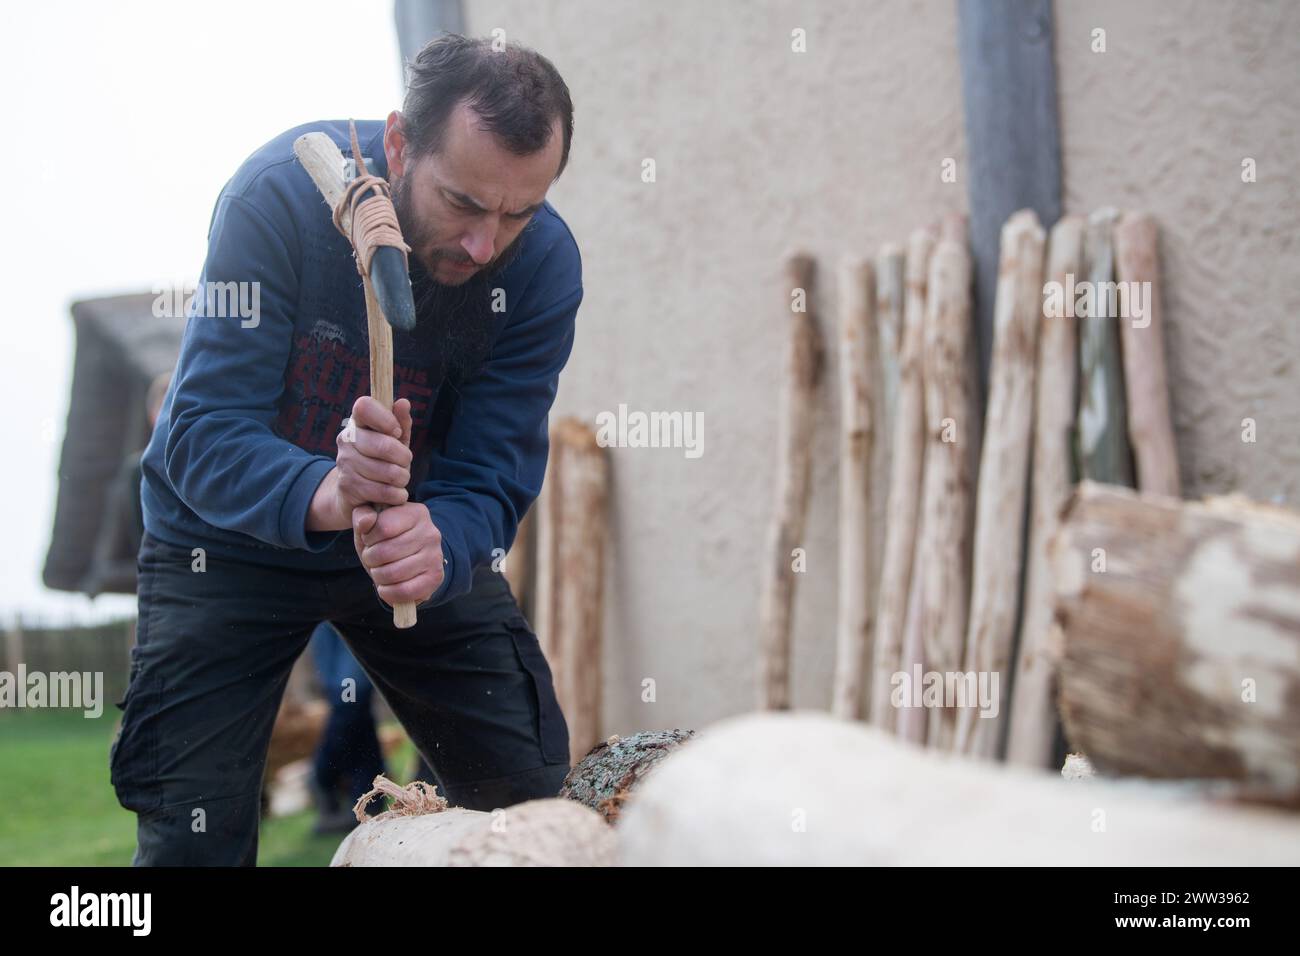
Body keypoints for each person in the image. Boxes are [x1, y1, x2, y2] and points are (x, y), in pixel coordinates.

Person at [110, 34, 580, 866]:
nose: (486, 244)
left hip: (406, 543)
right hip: (226, 541)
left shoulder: (541, 267)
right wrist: (331, 491)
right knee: (193, 834)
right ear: (399, 143)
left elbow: (491, 475)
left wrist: (444, 543)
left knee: (529, 797)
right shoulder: (276, 199)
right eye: (463, 202)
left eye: (518, 212)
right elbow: (203, 432)